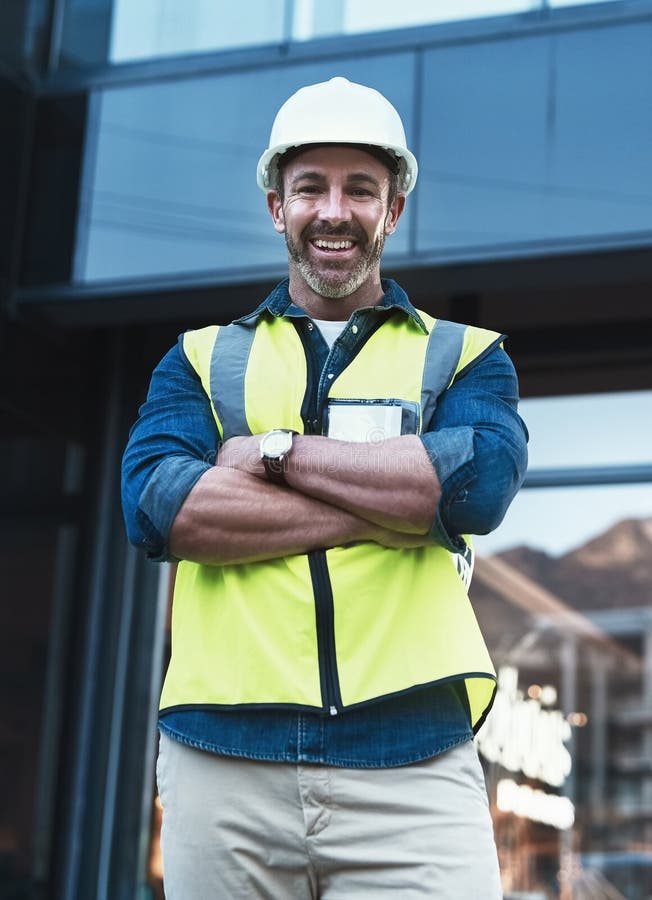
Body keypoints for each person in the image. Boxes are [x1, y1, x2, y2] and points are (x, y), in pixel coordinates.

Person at [122, 76, 528, 899]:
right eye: (311, 188)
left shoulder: (465, 356)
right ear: (278, 207)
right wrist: (395, 506)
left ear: (393, 211)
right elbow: (159, 508)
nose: (334, 211)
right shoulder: (199, 358)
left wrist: (272, 453)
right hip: (222, 760)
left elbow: (474, 488)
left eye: (361, 190)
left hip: (413, 763)